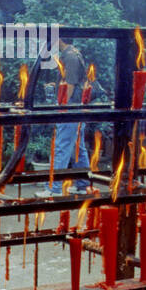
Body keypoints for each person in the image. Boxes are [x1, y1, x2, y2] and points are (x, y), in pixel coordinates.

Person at [37, 36, 90, 194]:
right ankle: (83, 185)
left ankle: (54, 188)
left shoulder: (70, 56)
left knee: (61, 146)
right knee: (77, 147)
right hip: (76, 108)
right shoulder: (72, 54)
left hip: (70, 109)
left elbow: (71, 85)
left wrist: (62, 108)